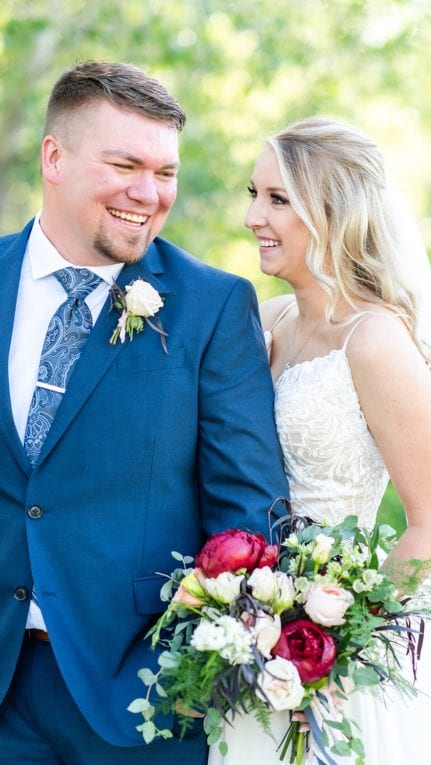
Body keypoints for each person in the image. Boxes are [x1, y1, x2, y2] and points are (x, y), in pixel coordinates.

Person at [0, 61, 289, 763]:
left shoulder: (212, 307)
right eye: (126, 164)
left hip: (137, 703)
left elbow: (249, 517)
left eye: (165, 172)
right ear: (55, 157)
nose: (148, 193)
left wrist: (186, 678)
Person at [210, 117, 431, 764]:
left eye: (277, 199)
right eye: (253, 193)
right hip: (249, 630)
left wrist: (328, 641)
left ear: (331, 212)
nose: (252, 216)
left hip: (329, 647)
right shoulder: (265, 320)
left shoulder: (373, 341)